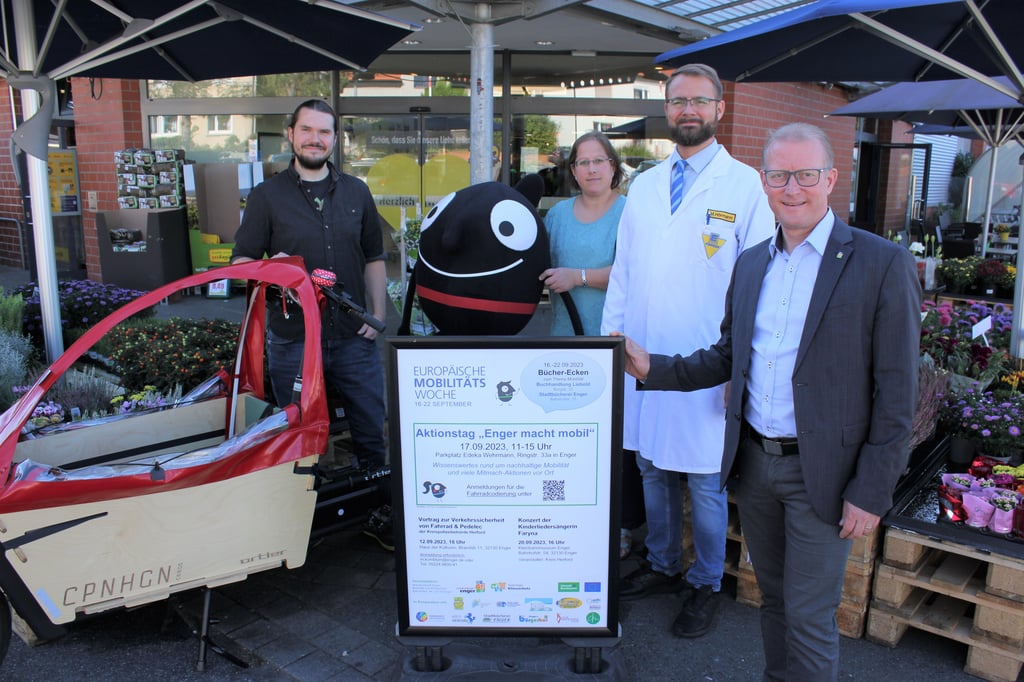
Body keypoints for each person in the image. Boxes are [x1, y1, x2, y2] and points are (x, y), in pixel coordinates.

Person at [616, 122, 921, 680]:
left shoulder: (880, 264)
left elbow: (898, 392)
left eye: (806, 175)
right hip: (756, 467)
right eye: (779, 175)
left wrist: (872, 490)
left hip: (824, 475)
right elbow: (728, 355)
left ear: (830, 179)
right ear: (764, 182)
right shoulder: (752, 261)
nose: (792, 188)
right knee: (773, 602)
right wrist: (653, 368)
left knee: (808, 618)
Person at [601, 63, 775, 637]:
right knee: (649, 466)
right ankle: (660, 563)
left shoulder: (746, 186)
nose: (688, 111)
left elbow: (760, 285)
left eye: (699, 101)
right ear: (666, 108)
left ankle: (703, 582)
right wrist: (612, 343)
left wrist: (741, 367)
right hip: (642, 356)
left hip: (707, 363)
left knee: (703, 479)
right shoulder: (647, 184)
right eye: (678, 101)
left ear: (720, 109)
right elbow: (624, 272)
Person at [231, 99, 393, 549]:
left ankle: (377, 510)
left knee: (368, 426)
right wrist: (271, 265)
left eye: (324, 132)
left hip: (353, 336)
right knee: (301, 430)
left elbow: (375, 259)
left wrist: (377, 313)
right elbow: (241, 262)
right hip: (294, 340)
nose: (315, 139)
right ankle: (307, 518)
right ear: (291, 134)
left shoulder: (358, 192)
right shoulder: (267, 197)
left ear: (335, 139)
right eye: (307, 130)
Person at [539, 131, 642, 558]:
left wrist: (578, 276)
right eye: (583, 162)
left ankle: (618, 525)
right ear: (573, 171)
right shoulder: (558, 215)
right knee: (569, 436)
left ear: (614, 166)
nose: (592, 169)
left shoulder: (630, 212)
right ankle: (571, 518)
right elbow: (537, 263)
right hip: (565, 340)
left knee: (614, 437)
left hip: (615, 343)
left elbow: (634, 270)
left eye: (600, 161)